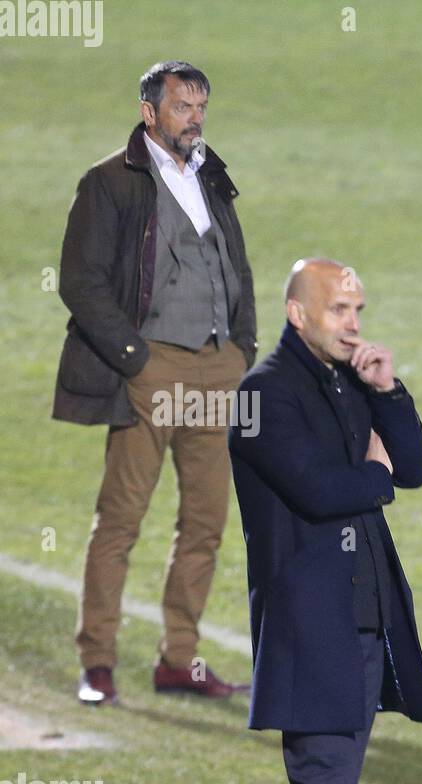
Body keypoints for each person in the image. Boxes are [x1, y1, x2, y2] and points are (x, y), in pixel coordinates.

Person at [228, 259, 422, 784]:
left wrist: (390, 393)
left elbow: (412, 467)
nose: (354, 323)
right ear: (296, 314)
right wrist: (373, 475)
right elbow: (320, 490)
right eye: (339, 309)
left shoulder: (349, 380)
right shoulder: (261, 396)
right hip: (308, 621)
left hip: (359, 612)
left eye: (358, 307)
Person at [56, 61, 256, 704]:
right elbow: (80, 282)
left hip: (217, 368)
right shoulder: (109, 182)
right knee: (121, 520)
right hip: (153, 368)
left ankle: (180, 660)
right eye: (181, 106)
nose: (194, 117)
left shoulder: (212, 176)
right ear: (150, 112)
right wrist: (134, 357)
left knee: (205, 523)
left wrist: (244, 349)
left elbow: (235, 267)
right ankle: (98, 662)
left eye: (200, 105)